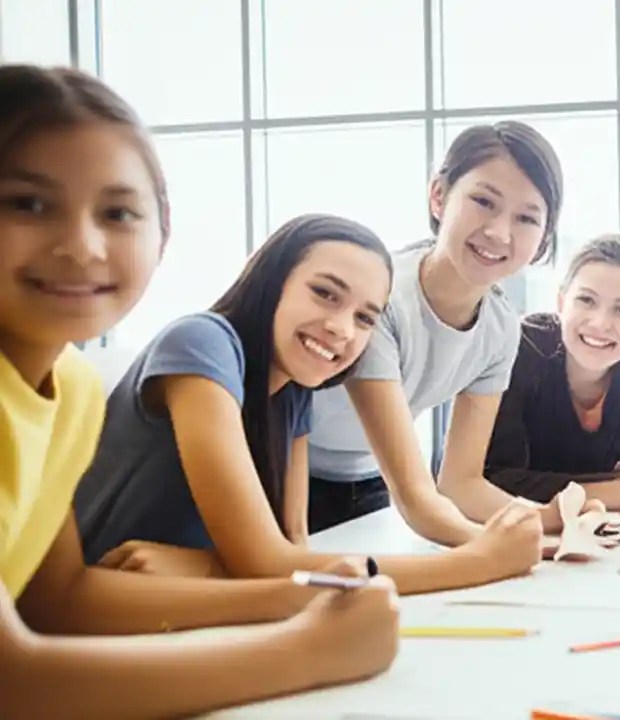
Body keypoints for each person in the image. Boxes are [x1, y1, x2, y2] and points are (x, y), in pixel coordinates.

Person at [0, 64, 397, 719]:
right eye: (27, 203)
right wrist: (305, 650)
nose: (82, 245)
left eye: (118, 211)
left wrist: (295, 595)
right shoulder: (201, 345)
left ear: (163, 234)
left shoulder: (66, 389)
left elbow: (57, 601)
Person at [75, 214, 542, 593]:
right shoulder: (201, 344)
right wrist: (479, 563)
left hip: (186, 603)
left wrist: (205, 567)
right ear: (273, 280)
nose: (343, 328)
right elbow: (269, 560)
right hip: (97, 602)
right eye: (324, 293)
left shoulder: (294, 391)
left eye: (364, 318)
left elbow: (290, 547)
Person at [307, 121, 587, 540]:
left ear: (545, 236)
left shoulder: (500, 328)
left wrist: (559, 519)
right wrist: (501, 549)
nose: (499, 232)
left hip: (369, 482)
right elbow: (416, 496)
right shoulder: (380, 297)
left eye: (527, 218)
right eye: (483, 201)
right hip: (284, 474)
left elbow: (461, 484)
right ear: (439, 196)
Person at [486, 232, 620, 508]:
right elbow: (493, 480)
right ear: (561, 303)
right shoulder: (520, 350)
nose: (600, 323)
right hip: (494, 524)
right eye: (586, 300)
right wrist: (618, 491)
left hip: (590, 529)